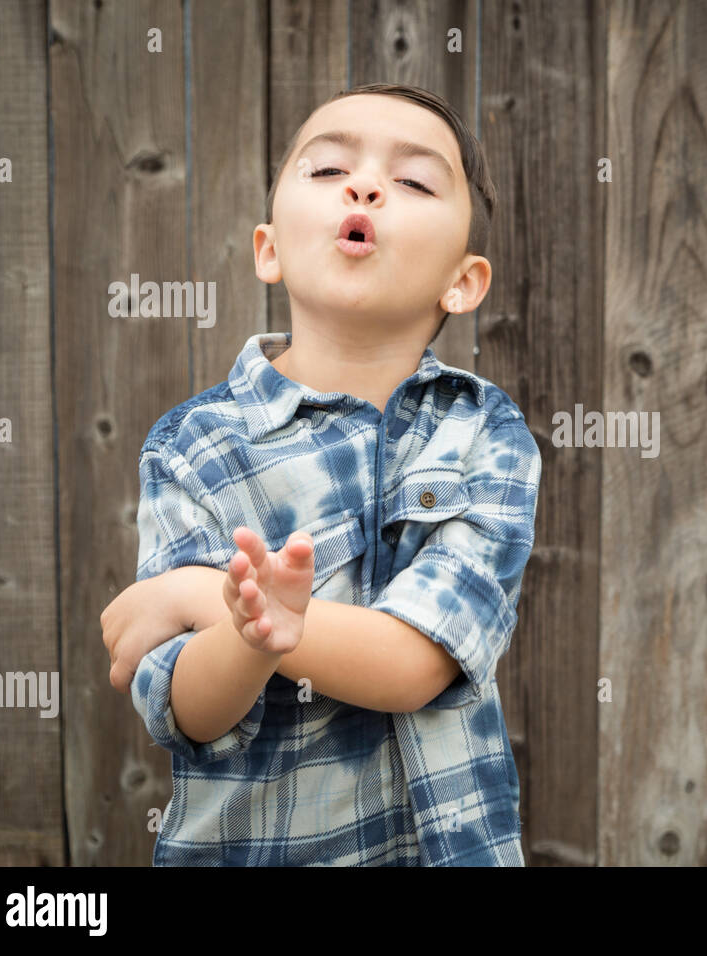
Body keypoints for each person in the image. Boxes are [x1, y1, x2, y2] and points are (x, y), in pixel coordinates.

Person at [99, 83, 539, 866]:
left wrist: (204, 596)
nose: (364, 185)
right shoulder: (194, 447)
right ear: (268, 249)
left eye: (412, 181)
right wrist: (249, 632)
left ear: (464, 283)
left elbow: (415, 664)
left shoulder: (485, 433)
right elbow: (186, 712)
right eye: (329, 167)